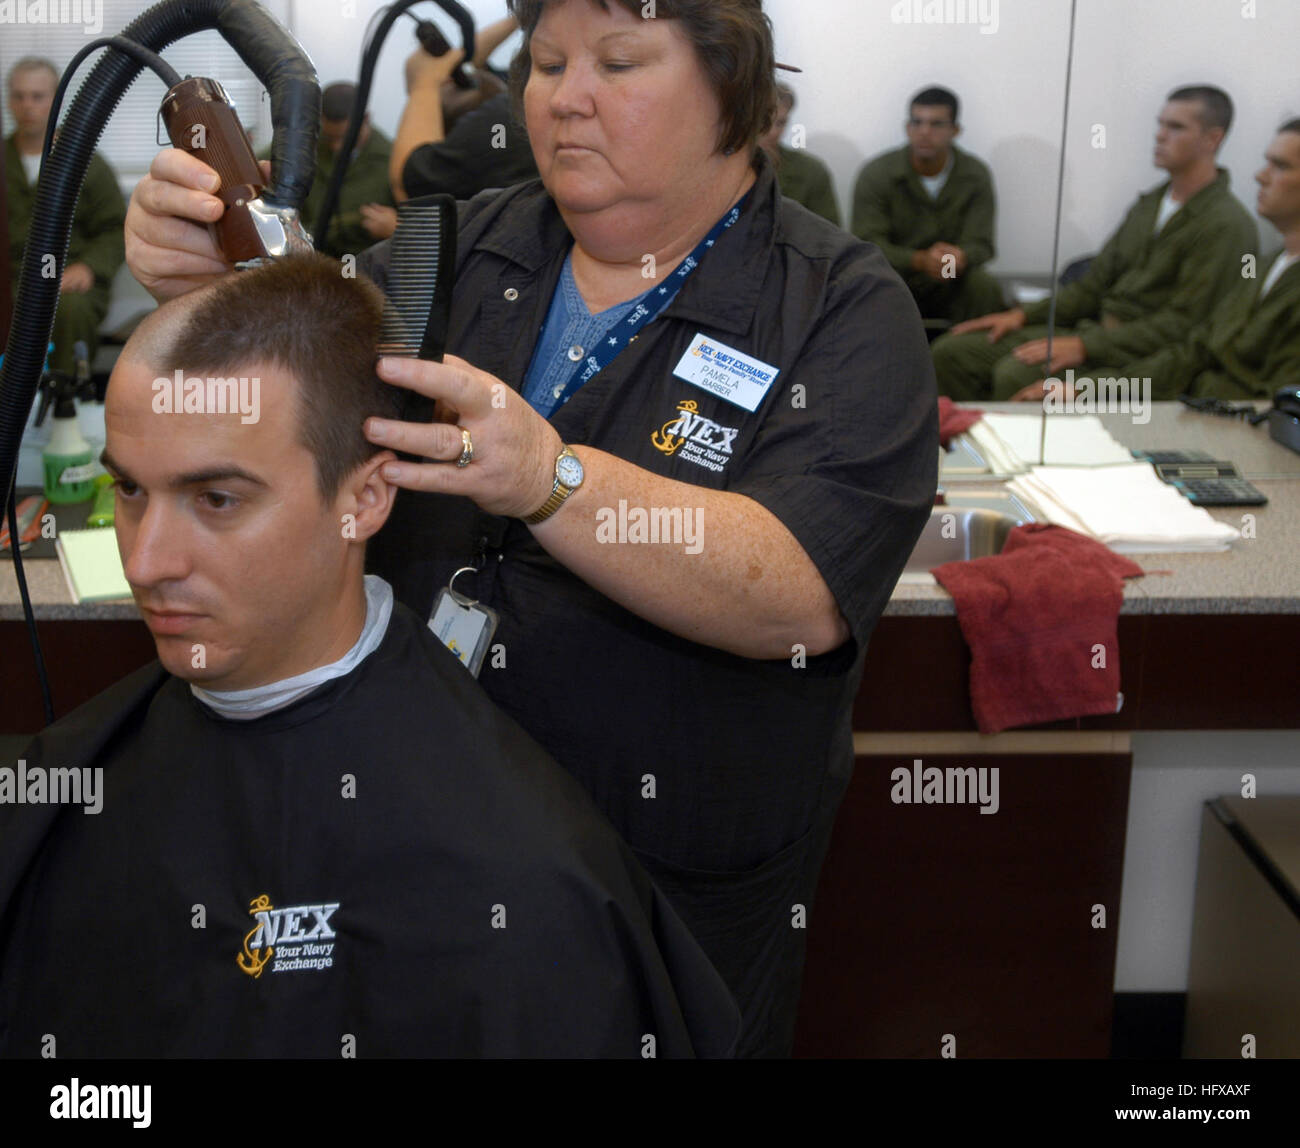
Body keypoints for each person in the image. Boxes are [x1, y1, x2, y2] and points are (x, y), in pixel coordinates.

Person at [121, 0, 938, 1059]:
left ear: (729, 92)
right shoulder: (462, 241)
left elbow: (798, 590)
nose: (566, 96)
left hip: (667, 874)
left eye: (619, 60)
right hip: (420, 836)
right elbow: (285, 399)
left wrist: (551, 480)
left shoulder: (839, 309)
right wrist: (198, 282)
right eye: (548, 63)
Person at [0, 252, 739, 1059]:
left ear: (364, 498)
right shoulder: (55, 787)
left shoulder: (526, 881)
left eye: (216, 500)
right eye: (132, 493)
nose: (145, 563)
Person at [933, 85, 1260, 402]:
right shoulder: (1150, 205)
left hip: (1139, 356)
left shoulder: (1226, 226)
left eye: (1176, 127)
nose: (1160, 135)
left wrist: (1087, 347)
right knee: (951, 353)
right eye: (1160, 124)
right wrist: (1023, 316)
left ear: (1212, 139)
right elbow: (1093, 285)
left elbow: (1184, 327)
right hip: (1094, 331)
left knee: (1015, 373)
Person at [1030, 122, 1300, 403]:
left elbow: (1282, 405)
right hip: (1190, 402)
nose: (1260, 176)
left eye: (1281, 166)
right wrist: (1093, 389)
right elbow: (1194, 351)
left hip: (1223, 422)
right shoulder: (1267, 266)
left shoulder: (1230, 229)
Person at [6, 57, 125, 376]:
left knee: (69, 309)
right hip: (11, 277)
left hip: (66, 277)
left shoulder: (85, 162)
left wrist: (88, 267)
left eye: (37, 96)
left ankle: (65, 398)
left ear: (55, 98)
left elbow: (115, 229)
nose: (27, 105)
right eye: (19, 96)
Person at [851, 86, 1002, 325]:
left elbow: (982, 244)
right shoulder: (878, 173)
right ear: (907, 128)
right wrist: (920, 260)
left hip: (951, 276)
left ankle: (970, 353)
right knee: (865, 281)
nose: (924, 132)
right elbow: (867, 242)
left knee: (983, 286)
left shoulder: (975, 174)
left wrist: (955, 259)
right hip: (896, 275)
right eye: (917, 122)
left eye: (936, 124)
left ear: (955, 130)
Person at [391, 13, 540, 201]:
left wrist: (423, 85)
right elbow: (470, 63)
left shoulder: (499, 121)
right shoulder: (511, 107)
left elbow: (407, 176)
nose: (448, 80)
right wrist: (522, 14)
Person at [264, 81, 398, 259]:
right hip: (311, 261)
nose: (336, 147)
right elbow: (259, 162)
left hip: (365, 265)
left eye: (345, 138)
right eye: (330, 137)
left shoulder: (394, 161)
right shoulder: (304, 147)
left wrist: (396, 229)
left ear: (365, 119)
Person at [758, 83, 840, 226]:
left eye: (780, 123)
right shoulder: (720, 165)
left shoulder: (811, 172)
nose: (772, 132)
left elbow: (831, 240)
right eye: (764, 121)